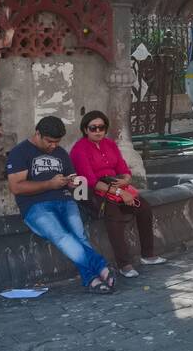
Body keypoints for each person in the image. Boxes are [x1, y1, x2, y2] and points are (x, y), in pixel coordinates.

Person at [7, 116, 116, 293]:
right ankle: (101, 267)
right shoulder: (20, 152)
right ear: (38, 134)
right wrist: (49, 184)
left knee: (79, 237)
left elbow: (71, 176)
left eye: (56, 142)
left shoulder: (60, 152)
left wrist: (72, 182)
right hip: (36, 206)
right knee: (62, 237)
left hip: (65, 199)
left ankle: (92, 280)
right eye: (49, 142)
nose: (53, 146)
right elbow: (16, 187)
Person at [70, 110, 166, 278]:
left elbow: (123, 168)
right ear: (85, 129)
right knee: (114, 214)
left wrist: (126, 180)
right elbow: (91, 181)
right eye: (93, 128)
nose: (98, 131)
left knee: (143, 208)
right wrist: (120, 192)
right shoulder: (80, 149)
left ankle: (148, 255)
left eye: (102, 127)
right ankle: (124, 264)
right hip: (92, 190)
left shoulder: (110, 144)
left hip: (115, 183)